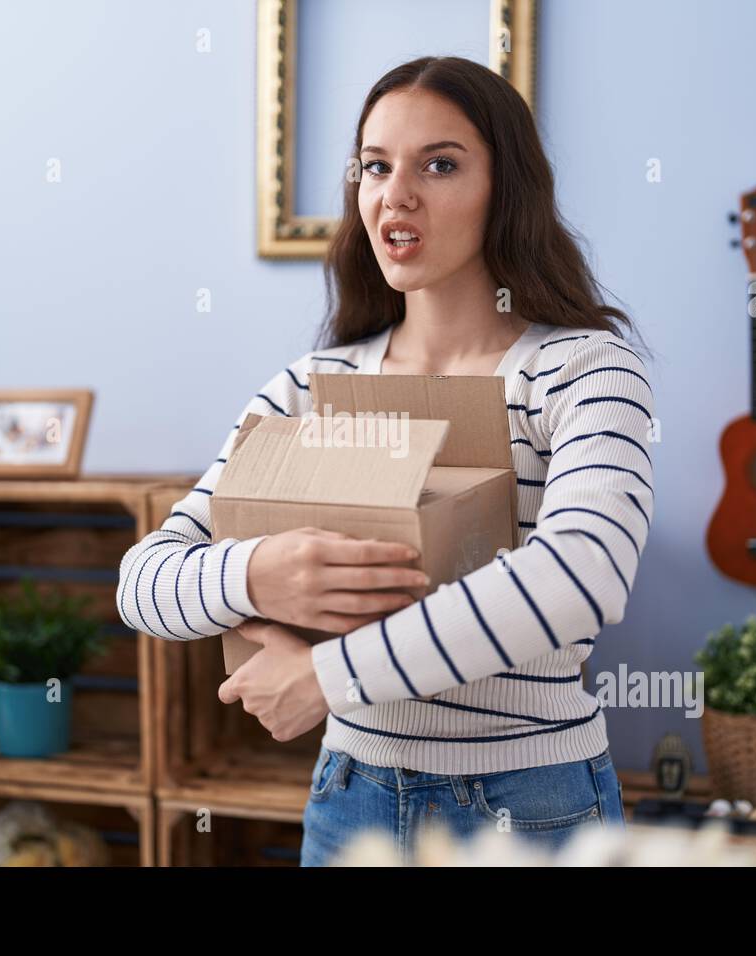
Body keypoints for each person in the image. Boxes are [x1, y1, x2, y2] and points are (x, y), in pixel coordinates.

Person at [117, 55, 655, 867]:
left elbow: (584, 576)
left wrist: (331, 677)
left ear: (506, 189)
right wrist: (264, 572)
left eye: (439, 164)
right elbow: (142, 582)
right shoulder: (312, 387)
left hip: (532, 807)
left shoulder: (583, 369)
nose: (395, 194)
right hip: (351, 803)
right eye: (375, 166)